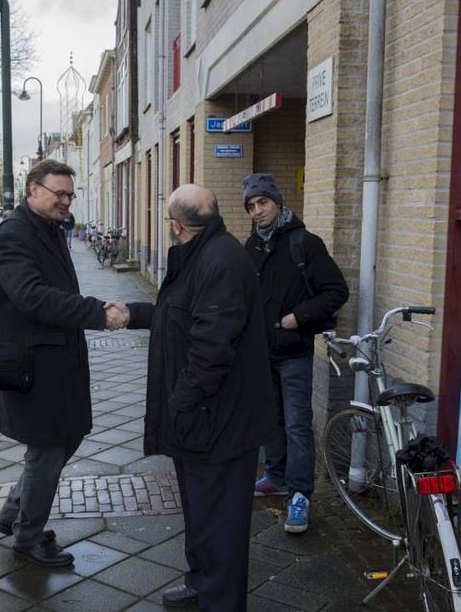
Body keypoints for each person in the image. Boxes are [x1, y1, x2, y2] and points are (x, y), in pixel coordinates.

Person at [117, 184, 278, 611]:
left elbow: (212, 348)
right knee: (202, 515)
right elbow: (182, 315)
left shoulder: (219, 260)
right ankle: (201, 586)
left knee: (220, 522)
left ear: (175, 225)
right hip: (203, 420)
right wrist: (135, 314)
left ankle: (218, 601)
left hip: (219, 421)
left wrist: (180, 402)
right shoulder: (204, 254)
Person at [0, 159, 127, 567]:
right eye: (58, 194)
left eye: (70, 194)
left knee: (64, 440)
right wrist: (97, 313)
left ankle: (13, 514)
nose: (67, 202)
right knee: (48, 449)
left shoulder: (47, 229)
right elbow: (31, 296)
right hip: (38, 367)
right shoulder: (14, 234)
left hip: (59, 363)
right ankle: (28, 539)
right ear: (33, 190)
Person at [242, 173, 349, 533]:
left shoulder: (305, 243)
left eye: (263, 203)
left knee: (298, 425)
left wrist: (297, 317)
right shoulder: (251, 246)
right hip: (260, 352)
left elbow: (336, 291)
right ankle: (275, 475)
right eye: (252, 206)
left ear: (278, 202)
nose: (258, 211)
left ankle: (300, 494)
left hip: (294, 352)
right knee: (270, 419)